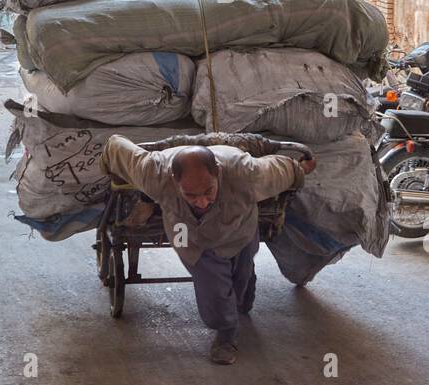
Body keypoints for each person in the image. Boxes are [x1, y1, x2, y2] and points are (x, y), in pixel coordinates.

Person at [101, 138, 316, 364]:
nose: (202, 202)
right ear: (174, 180)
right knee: (214, 292)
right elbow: (114, 146)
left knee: (241, 277)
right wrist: (109, 169)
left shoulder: (246, 172)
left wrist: (301, 169)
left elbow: (285, 169)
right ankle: (226, 334)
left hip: (240, 231)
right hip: (192, 240)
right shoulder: (154, 172)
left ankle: (243, 291)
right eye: (191, 195)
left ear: (218, 173)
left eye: (208, 191)